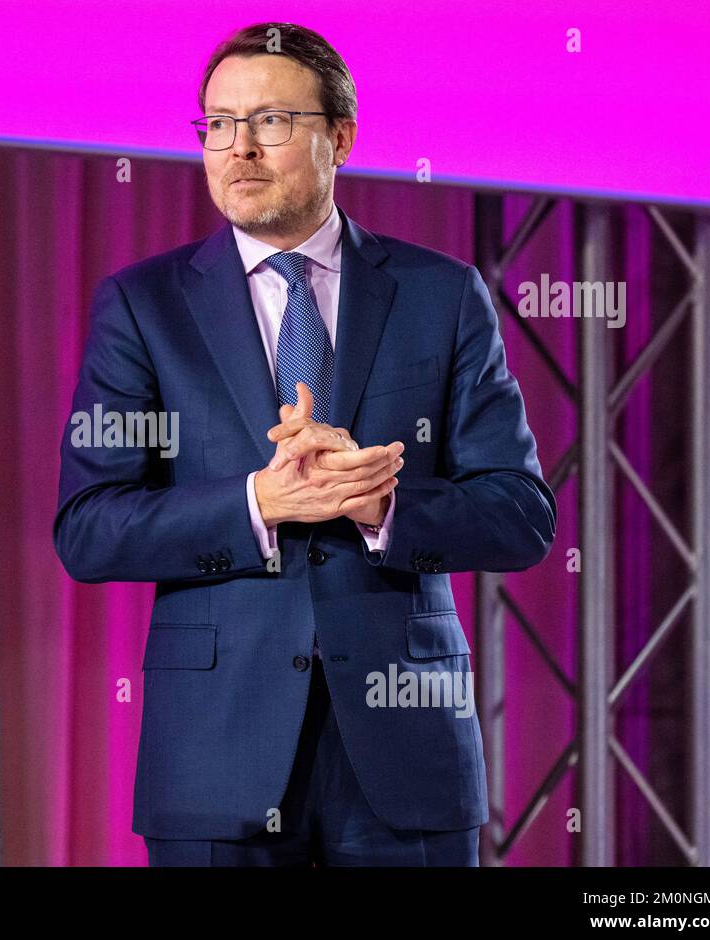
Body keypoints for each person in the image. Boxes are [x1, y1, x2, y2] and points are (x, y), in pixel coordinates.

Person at [53, 22, 555, 866]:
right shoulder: (144, 306)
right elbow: (90, 526)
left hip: (406, 750)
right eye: (217, 123)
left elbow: (521, 515)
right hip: (216, 758)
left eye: (271, 123)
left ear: (341, 138)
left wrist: (385, 506)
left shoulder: (441, 295)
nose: (238, 148)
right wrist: (258, 504)